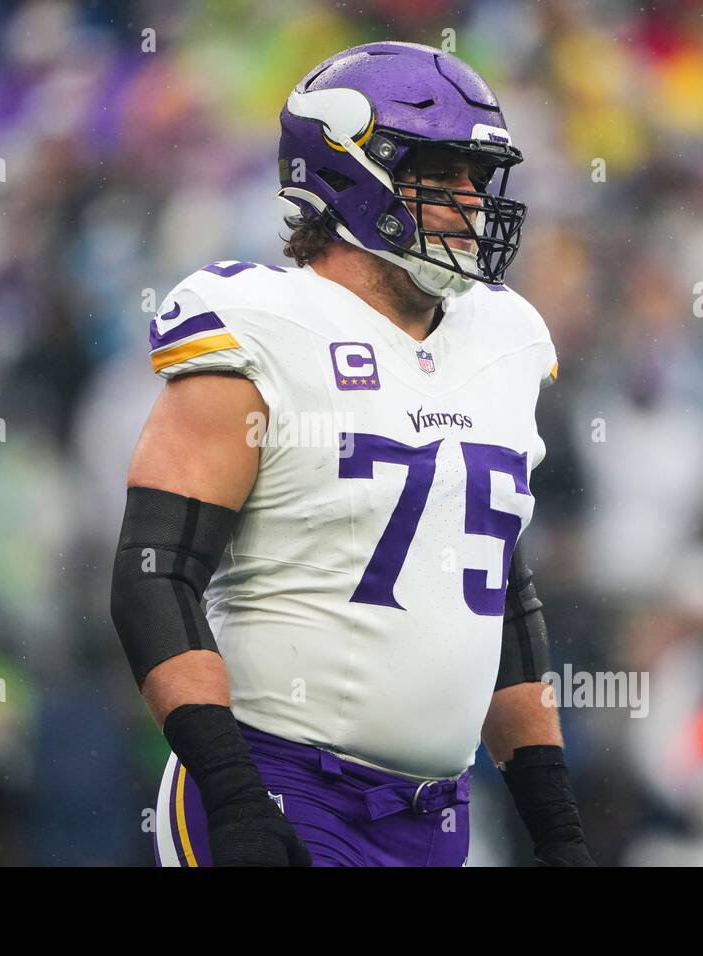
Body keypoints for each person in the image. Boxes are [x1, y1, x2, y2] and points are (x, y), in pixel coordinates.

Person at [111, 41, 593, 867]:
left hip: (437, 820)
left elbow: (498, 601)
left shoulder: (503, 338)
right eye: (446, 172)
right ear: (351, 171)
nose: (473, 202)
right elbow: (154, 572)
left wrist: (557, 830)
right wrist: (233, 796)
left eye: (480, 178)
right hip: (283, 787)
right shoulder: (265, 324)